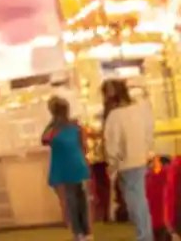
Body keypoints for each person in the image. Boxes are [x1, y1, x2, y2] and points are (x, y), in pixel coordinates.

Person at [103, 79, 155, 241]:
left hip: (125, 163)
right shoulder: (139, 109)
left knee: (134, 199)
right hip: (140, 158)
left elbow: (111, 143)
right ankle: (146, 233)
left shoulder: (114, 115)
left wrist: (112, 163)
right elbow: (149, 131)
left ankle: (144, 235)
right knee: (140, 197)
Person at [41, 96, 91, 241]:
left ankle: (78, 233)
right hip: (78, 166)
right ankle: (86, 232)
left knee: (71, 202)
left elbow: (44, 140)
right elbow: (84, 146)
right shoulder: (76, 127)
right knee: (80, 200)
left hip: (63, 168)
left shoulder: (53, 131)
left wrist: (51, 124)